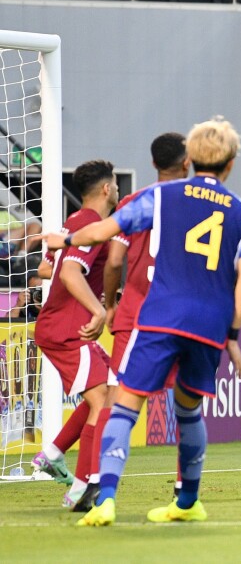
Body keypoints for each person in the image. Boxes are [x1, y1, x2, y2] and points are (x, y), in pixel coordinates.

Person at [62, 119, 241, 527]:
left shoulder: (160, 196)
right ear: (231, 162)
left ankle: (107, 500)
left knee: (125, 405)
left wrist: (64, 240)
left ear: (192, 157)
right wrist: (234, 335)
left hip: (159, 314)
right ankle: (187, 501)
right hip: (208, 324)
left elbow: (107, 231)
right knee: (188, 411)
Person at [93, 134, 190, 498]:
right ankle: (185, 491)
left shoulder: (135, 201)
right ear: (187, 162)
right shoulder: (199, 206)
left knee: (117, 398)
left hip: (137, 313)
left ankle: (96, 482)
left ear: (152, 164)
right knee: (187, 402)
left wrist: (110, 303)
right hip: (183, 315)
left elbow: (115, 259)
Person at [29, 160, 117, 512]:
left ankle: (52, 454)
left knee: (109, 392)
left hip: (64, 324)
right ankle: (82, 487)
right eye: (115, 184)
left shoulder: (75, 223)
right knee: (103, 402)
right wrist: (97, 309)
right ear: (106, 189)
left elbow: (45, 267)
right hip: (69, 328)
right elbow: (66, 272)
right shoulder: (90, 224)